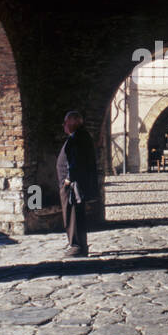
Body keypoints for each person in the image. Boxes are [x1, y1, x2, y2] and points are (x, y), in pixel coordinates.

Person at [56, 110, 99, 257]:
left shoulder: (78, 138)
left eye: (66, 122)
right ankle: (79, 245)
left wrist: (68, 179)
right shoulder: (79, 137)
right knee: (76, 215)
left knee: (72, 215)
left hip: (72, 185)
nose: (64, 125)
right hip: (72, 184)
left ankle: (76, 246)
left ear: (74, 122)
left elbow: (76, 161)